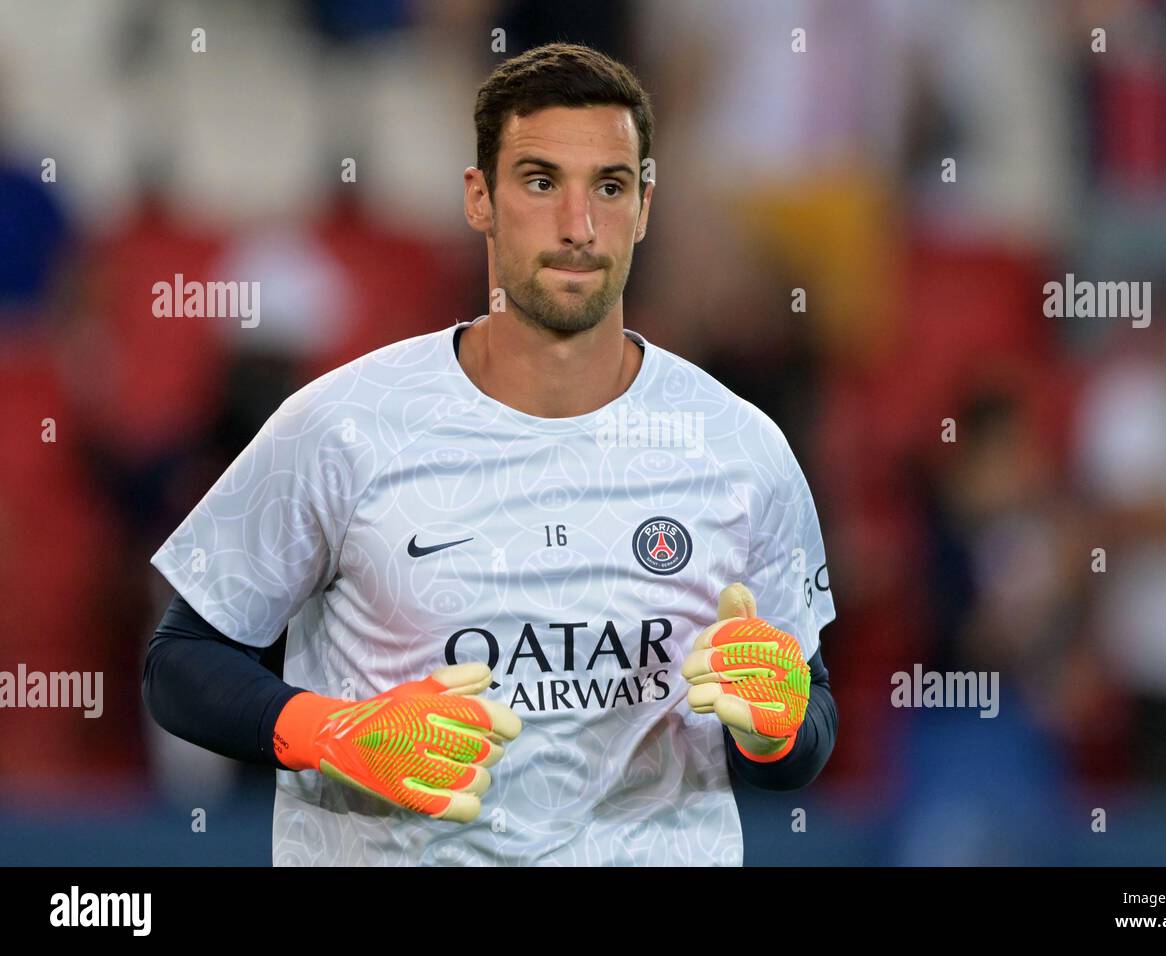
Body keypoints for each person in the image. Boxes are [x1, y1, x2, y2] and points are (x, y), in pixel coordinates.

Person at [143, 42, 837, 866]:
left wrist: (778, 727)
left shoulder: (740, 447)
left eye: (609, 187)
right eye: (541, 182)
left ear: (645, 206)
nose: (578, 227)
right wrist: (332, 733)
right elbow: (178, 664)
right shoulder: (344, 426)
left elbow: (806, 726)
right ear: (480, 198)